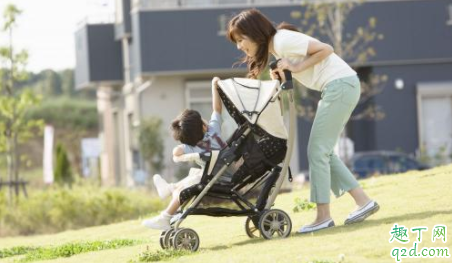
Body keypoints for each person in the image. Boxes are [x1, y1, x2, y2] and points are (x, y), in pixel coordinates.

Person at [226, 9, 379, 234]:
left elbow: (326, 49)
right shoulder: (278, 48)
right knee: (323, 151)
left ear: (255, 33)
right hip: (338, 88)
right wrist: (284, 75)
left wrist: (296, 67)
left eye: (241, 39)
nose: (239, 46)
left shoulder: (282, 40)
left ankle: (323, 216)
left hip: (340, 86)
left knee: (317, 151)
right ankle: (363, 201)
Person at [141, 77, 226, 230]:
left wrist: (179, 150)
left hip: (213, 178)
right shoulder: (214, 131)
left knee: (183, 189)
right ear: (203, 127)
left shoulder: (192, 147)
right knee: (192, 178)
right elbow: (217, 108)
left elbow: (176, 151)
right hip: (221, 174)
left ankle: (165, 216)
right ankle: (170, 190)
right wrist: (214, 86)